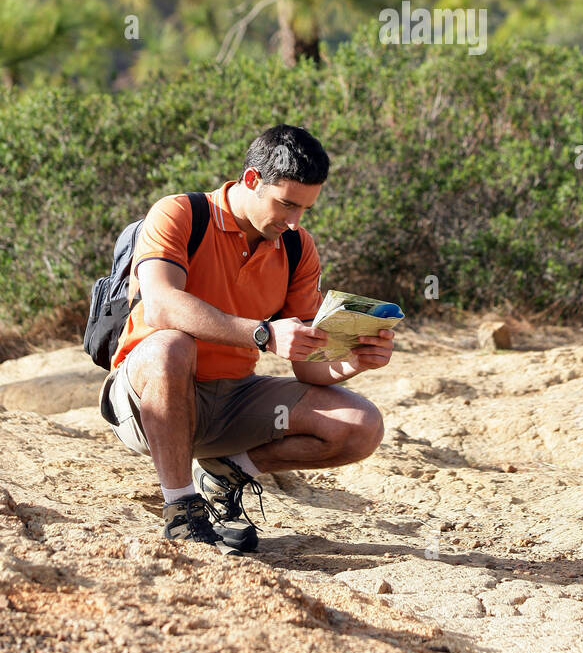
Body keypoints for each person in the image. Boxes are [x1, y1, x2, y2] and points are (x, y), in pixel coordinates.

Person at [98, 124, 394, 552]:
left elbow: (305, 364)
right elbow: (161, 305)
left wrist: (353, 361)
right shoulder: (179, 214)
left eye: (305, 209)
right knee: (171, 345)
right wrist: (263, 334)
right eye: (287, 205)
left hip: (231, 401)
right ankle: (182, 509)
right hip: (146, 403)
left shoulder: (296, 248)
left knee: (362, 426)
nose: (294, 222)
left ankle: (227, 472)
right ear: (252, 180)